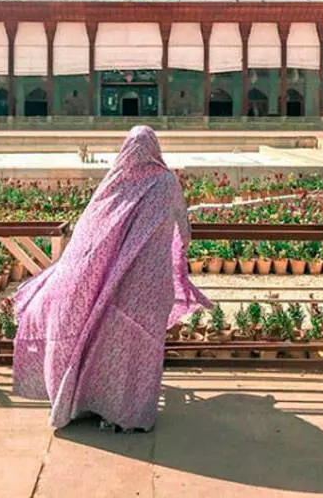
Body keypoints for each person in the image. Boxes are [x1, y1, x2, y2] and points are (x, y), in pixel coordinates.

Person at [13, 125, 211, 431]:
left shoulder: (114, 182)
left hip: (113, 285)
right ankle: (131, 415)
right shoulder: (167, 181)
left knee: (107, 347)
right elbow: (183, 230)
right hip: (150, 285)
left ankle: (95, 405)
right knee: (140, 349)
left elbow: (90, 232)